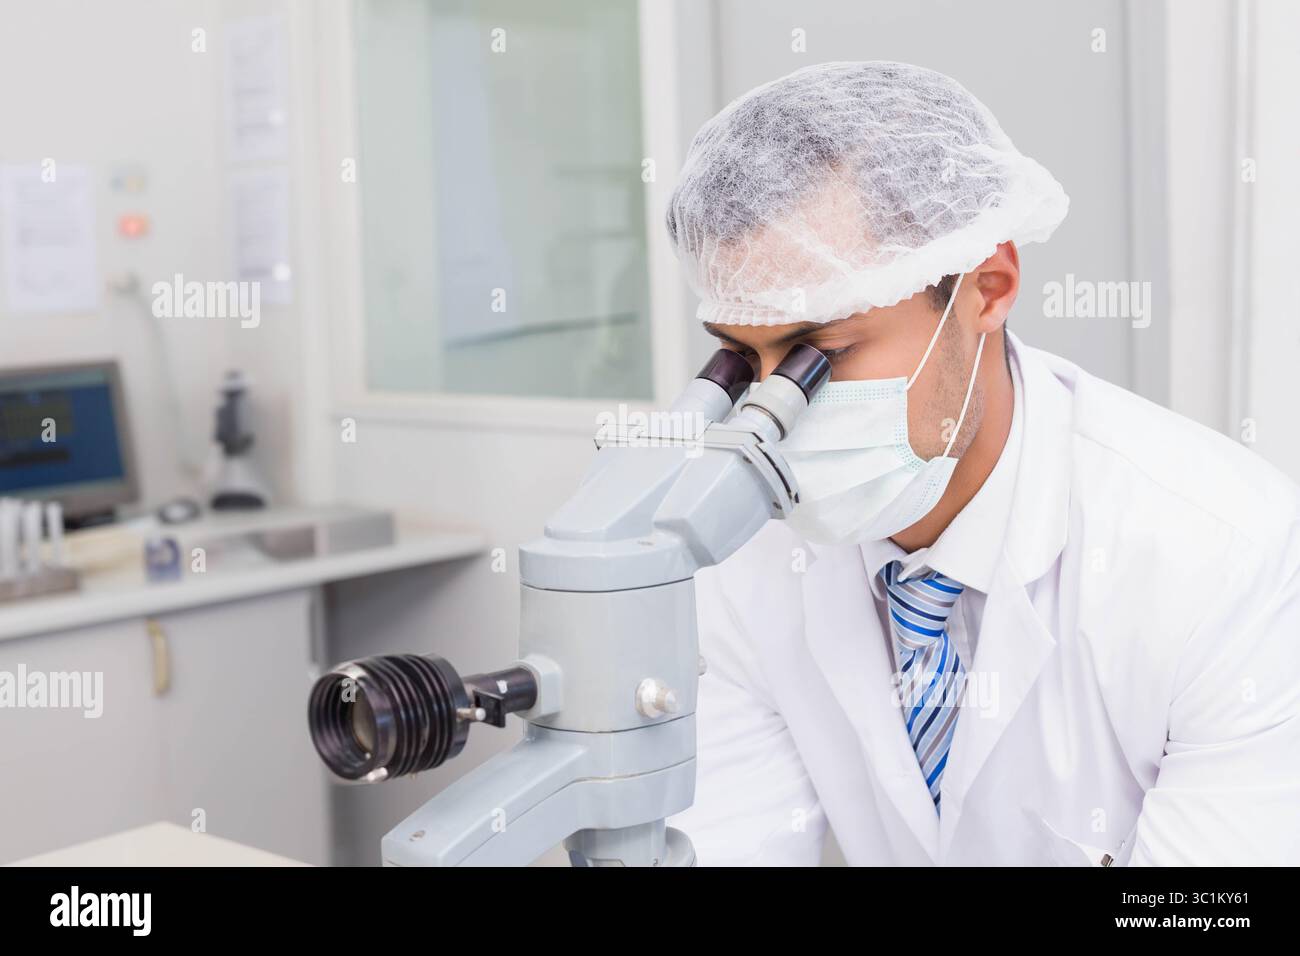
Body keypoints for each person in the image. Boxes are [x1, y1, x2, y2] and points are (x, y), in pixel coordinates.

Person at [662, 61, 1300, 865]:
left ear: (988, 287)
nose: (772, 418)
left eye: (816, 357)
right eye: (741, 363)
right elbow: (731, 844)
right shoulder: (746, 551)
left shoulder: (1224, 556)